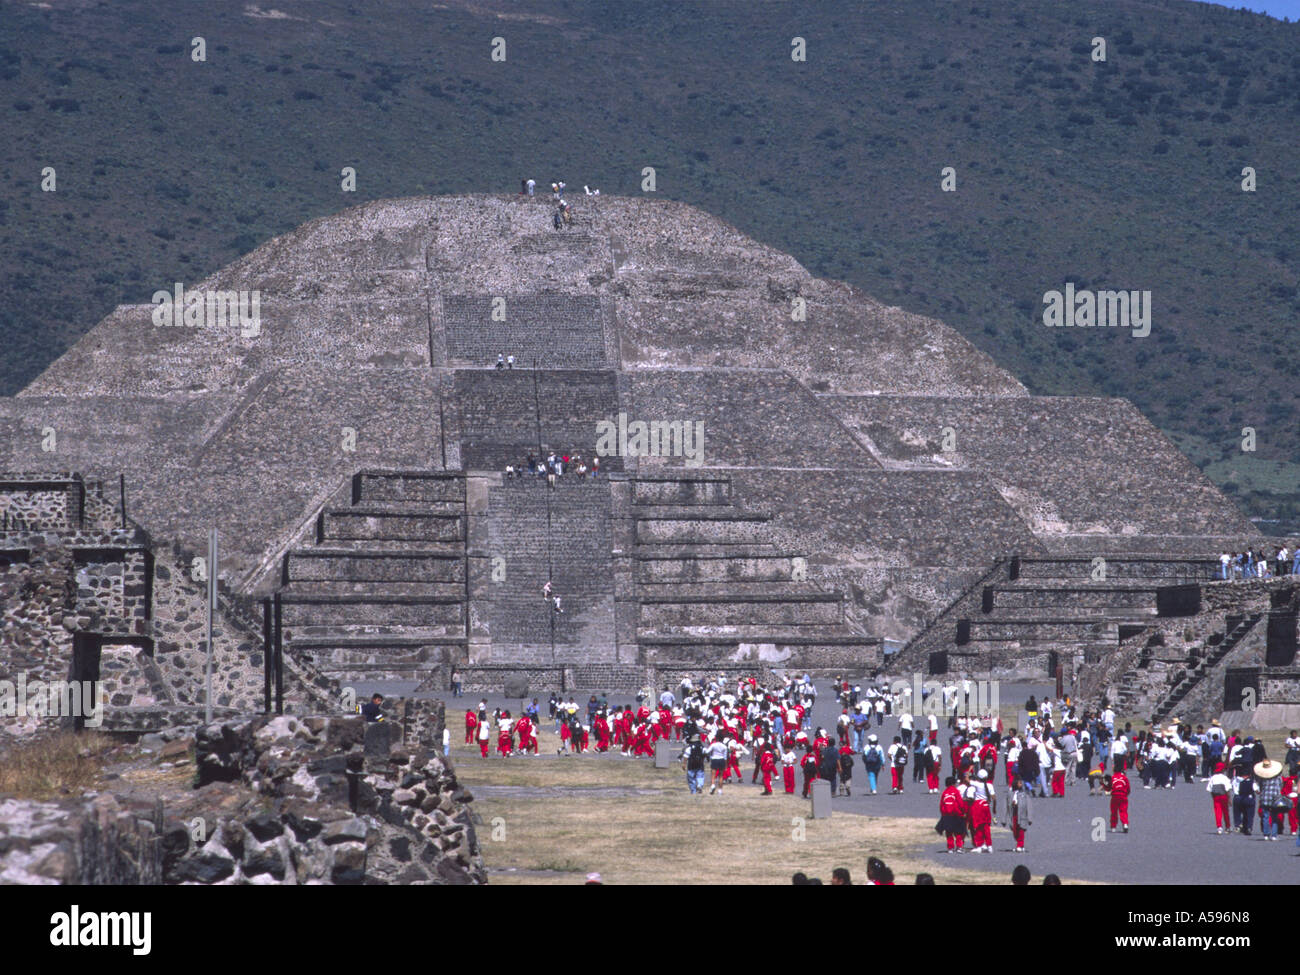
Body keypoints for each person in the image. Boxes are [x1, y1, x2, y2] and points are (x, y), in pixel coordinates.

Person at [937, 776, 967, 853]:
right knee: (958, 832)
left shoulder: (944, 792)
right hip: (957, 814)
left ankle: (950, 848)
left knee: (949, 832)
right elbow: (960, 803)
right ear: (954, 783)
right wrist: (964, 812)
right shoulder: (956, 791)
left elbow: (941, 805)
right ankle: (959, 847)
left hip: (947, 815)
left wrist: (943, 814)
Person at [1007, 776, 1032, 852]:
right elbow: (1007, 805)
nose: (1021, 784)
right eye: (1019, 783)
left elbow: (1029, 805)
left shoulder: (1025, 794)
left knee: (1021, 829)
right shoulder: (1011, 793)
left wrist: (1030, 818)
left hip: (1022, 814)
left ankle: (1020, 845)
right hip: (1014, 813)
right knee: (1015, 830)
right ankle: (1020, 844)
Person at [1207, 761, 1232, 833]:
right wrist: (1229, 799)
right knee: (1226, 811)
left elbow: (1210, 789)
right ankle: (1228, 826)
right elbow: (1227, 789)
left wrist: (1213, 797)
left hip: (1216, 796)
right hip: (1224, 796)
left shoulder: (1213, 778)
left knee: (1218, 811)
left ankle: (1219, 827)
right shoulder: (1225, 778)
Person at [1108, 759, 1130, 833]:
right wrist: (1126, 794)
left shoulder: (1113, 778)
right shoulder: (1124, 778)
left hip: (1114, 796)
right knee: (1123, 811)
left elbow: (1109, 787)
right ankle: (1125, 824)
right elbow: (1128, 788)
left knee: (1114, 811)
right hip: (1123, 796)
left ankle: (1113, 827)